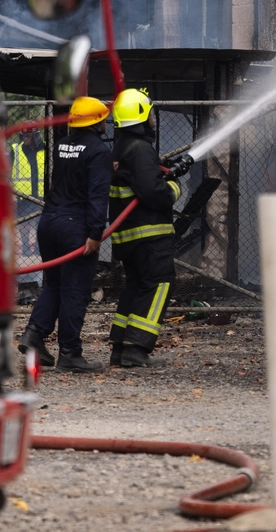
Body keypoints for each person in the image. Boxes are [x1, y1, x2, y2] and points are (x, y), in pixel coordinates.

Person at [18, 95, 111, 372]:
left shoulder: (62, 146)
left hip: (50, 222)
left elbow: (75, 174)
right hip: (75, 227)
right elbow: (97, 195)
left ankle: (34, 333)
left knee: (55, 285)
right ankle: (70, 353)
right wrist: (96, 232)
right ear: (97, 122)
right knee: (75, 291)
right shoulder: (99, 151)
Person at [107, 87, 187, 368]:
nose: (153, 117)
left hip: (129, 236)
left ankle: (120, 346)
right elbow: (154, 193)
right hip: (148, 235)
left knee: (137, 285)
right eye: (150, 112)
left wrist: (162, 168)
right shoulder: (141, 150)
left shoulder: (124, 147)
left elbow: (140, 180)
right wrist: (175, 186)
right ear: (141, 116)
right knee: (160, 284)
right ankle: (137, 348)